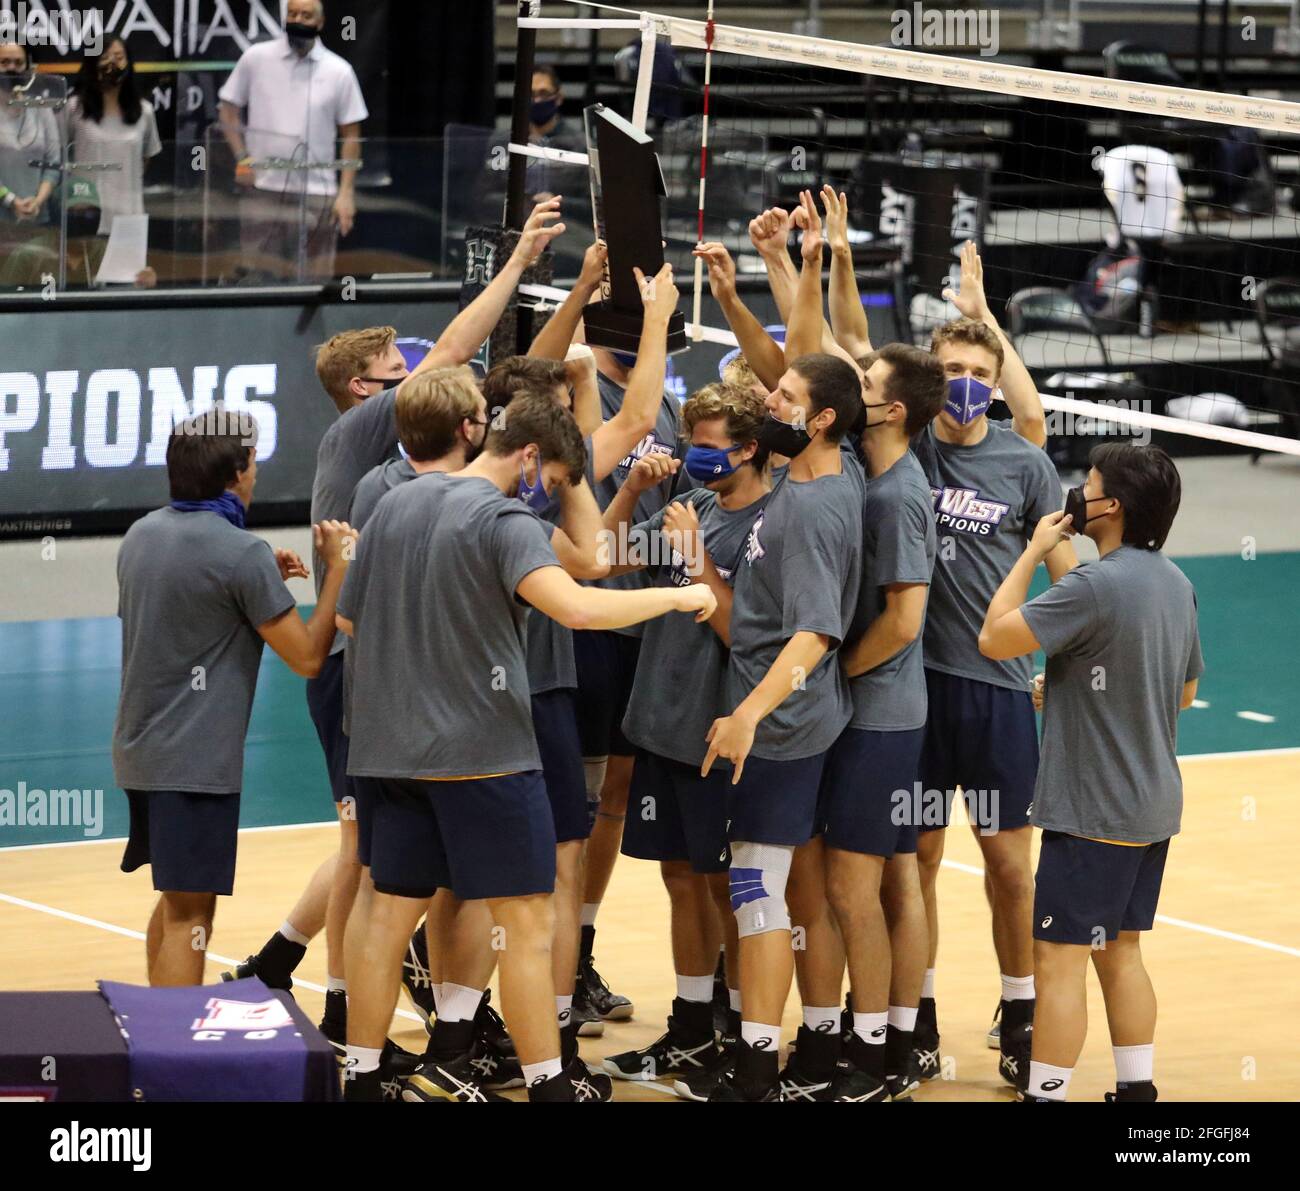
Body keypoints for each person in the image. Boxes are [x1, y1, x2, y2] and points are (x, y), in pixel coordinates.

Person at [220, 199, 565, 1045]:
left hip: (392, 656)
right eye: (393, 367)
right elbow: (455, 352)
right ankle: (346, 1006)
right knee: (366, 857)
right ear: (364, 391)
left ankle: (285, 960)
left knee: (372, 852)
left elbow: (499, 395)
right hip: (363, 661)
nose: (412, 368)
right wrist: (517, 265)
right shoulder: (362, 436)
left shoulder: (400, 458)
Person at [335, 393, 716, 1101]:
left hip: (389, 750)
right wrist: (676, 596)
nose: (555, 491)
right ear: (532, 457)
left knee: (388, 914)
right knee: (529, 921)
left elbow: (350, 618)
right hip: (482, 753)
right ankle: (549, 1084)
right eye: (562, 477)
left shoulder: (393, 505)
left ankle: (361, 1078)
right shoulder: (504, 519)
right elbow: (576, 605)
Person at [978, 444, 1202, 1103]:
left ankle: (1044, 1094)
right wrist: (1075, 687)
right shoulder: (1176, 581)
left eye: (1091, 485)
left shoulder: (1091, 583)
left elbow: (994, 637)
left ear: (1114, 507)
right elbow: (1182, 692)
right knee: (1121, 951)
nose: (1079, 492)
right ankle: (1136, 1092)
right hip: (1152, 807)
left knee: (1058, 961)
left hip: (1094, 810)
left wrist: (1030, 549)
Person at [909, 242, 1075, 1091]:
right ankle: (919, 1012)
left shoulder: (1024, 460)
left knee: (1012, 868)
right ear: (932, 378)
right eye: (954, 369)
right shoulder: (905, 451)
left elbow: (1069, 583)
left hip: (1000, 696)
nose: (969, 383)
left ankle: (1019, 1009)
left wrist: (983, 307)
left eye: (983, 369)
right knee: (920, 861)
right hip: (912, 694)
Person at [112, 406, 353, 986]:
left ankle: (154, 1035)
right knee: (192, 917)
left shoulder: (142, 534)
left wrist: (260, 576)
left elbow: (193, 594)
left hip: (142, 752)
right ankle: (177, 1057)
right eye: (253, 461)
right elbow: (308, 657)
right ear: (236, 473)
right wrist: (338, 570)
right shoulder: (239, 553)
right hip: (194, 762)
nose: (256, 471)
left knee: (175, 903)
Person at [699, 353, 866, 1102]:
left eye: (786, 395)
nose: (769, 399)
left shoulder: (809, 511)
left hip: (783, 724)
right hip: (799, 717)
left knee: (754, 891)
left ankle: (757, 1068)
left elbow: (815, 635)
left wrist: (748, 714)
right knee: (793, 891)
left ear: (821, 419)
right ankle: (813, 1041)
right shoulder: (821, 468)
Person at [600, 383, 772, 1089]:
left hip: (715, 734)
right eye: (691, 443)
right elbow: (601, 554)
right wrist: (632, 487)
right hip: (660, 725)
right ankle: (693, 1024)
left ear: (750, 447)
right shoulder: (691, 507)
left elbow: (746, 638)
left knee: (724, 886)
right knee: (681, 880)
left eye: (709, 445)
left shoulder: (767, 525)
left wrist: (697, 559)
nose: (696, 457)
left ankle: (735, 1028)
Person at [817, 343, 946, 1101]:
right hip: (884, 716)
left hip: (879, 719)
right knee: (894, 877)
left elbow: (903, 621)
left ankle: (868, 1060)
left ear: (893, 411)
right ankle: (897, 1040)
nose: (852, 388)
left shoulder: (897, 494)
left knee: (850, 889)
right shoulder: (871, 471)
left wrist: (832, 671)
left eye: (865, 385)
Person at [217, 0, 367, 282]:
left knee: (316, 280)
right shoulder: (256, 58)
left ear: (320, 23)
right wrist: (242, 158)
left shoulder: (339, 71)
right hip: (263, 188)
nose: (297, 19)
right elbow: (227, 111)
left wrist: (346, 193)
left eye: (306, 15)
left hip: (318, 193)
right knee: (258, 277)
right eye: (292, 13)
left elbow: (351, 135)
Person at [64, 35, 161, 287]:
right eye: (105, 57)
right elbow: (59, 157)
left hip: (128, 220)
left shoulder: (144, 112)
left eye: (119, 58)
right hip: (84, 218)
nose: (112, 64)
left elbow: (145, 158)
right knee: (79, 294)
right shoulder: (73, 108)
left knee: (124, 295)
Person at [0, 41, 60, 288]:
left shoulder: (41, 109)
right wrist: (11, 201)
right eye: (4, 62)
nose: (12, 68)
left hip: (38, 221)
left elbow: (54, 163)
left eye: (18, 62)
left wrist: (37, 201)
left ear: (29, 67)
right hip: (1, 222)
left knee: (35, 295)